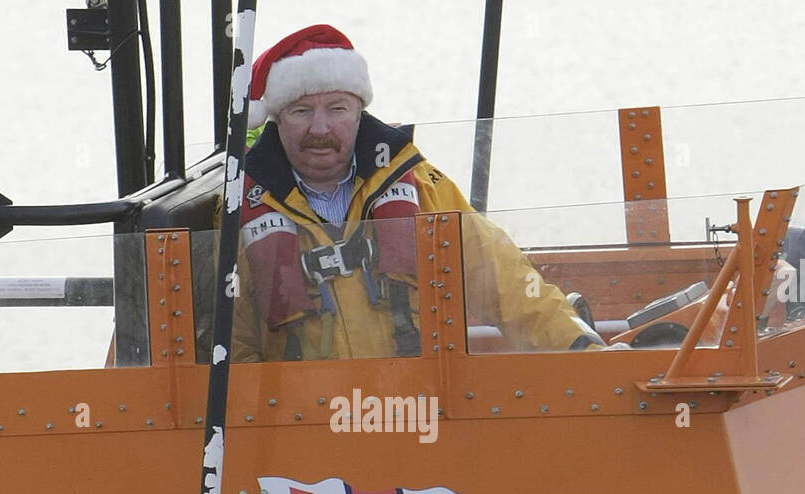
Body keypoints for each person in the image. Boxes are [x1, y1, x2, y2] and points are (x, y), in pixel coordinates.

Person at [229, 24, 605, 362]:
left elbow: (506, 279)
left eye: (337, 108)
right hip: (302, 422)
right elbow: (233, 344)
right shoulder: (236, 210)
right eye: (301, 111)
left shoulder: (423, 186)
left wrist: (582, 349)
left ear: (360, 112)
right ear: (276, 120)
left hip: (421, 410)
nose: (320, 127)